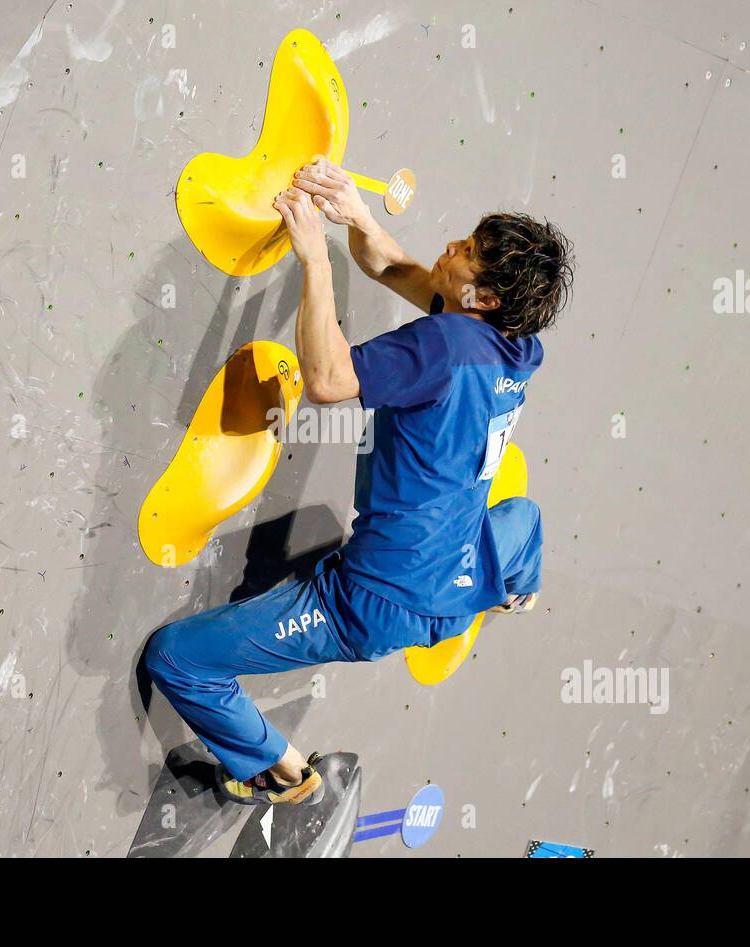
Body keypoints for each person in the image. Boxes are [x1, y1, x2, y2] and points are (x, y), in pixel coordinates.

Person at [143, 157, 574, 805]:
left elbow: (328, 381)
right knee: (523, 519)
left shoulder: (446, 347)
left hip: (372, 600)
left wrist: (314, 259)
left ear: (482, 299)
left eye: (467, 251)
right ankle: (515, 589)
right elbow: (398, 271)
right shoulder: (516, 345)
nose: (450, 247)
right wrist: (357, 214)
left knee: (178, 657)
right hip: (459, 571)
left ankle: (279, 771)